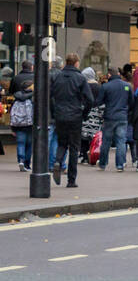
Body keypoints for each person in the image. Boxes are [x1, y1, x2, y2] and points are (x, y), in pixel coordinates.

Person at [49, 52, 93, 188]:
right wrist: (84, 113)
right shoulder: (80, 78)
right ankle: (71, 180)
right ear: (76, 63)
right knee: (74, 148)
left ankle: (57, 162)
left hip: (60, 115)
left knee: (62, 143)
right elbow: (90, 100)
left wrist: (54, 112)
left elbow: (50, 97)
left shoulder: (57, 77)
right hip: (75, 116)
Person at [97, 66, 133, 172]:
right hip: (122, 116)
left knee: (106, 141)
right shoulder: (127, 86)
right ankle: (120, 165)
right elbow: (131, 102)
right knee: (121, 141)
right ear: (118, 74)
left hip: (109, 117)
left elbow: (99, 101)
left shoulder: (106, 87)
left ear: (109, 75)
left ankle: (103, 163)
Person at [9, 78, 33, 171]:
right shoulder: (33, 97)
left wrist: (12, 128)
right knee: (29, 145)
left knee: (20, 143)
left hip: (18, 124)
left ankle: (21, 161)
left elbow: (12, 113)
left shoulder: (17, 97)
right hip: (30, 124)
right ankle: (27, 164)